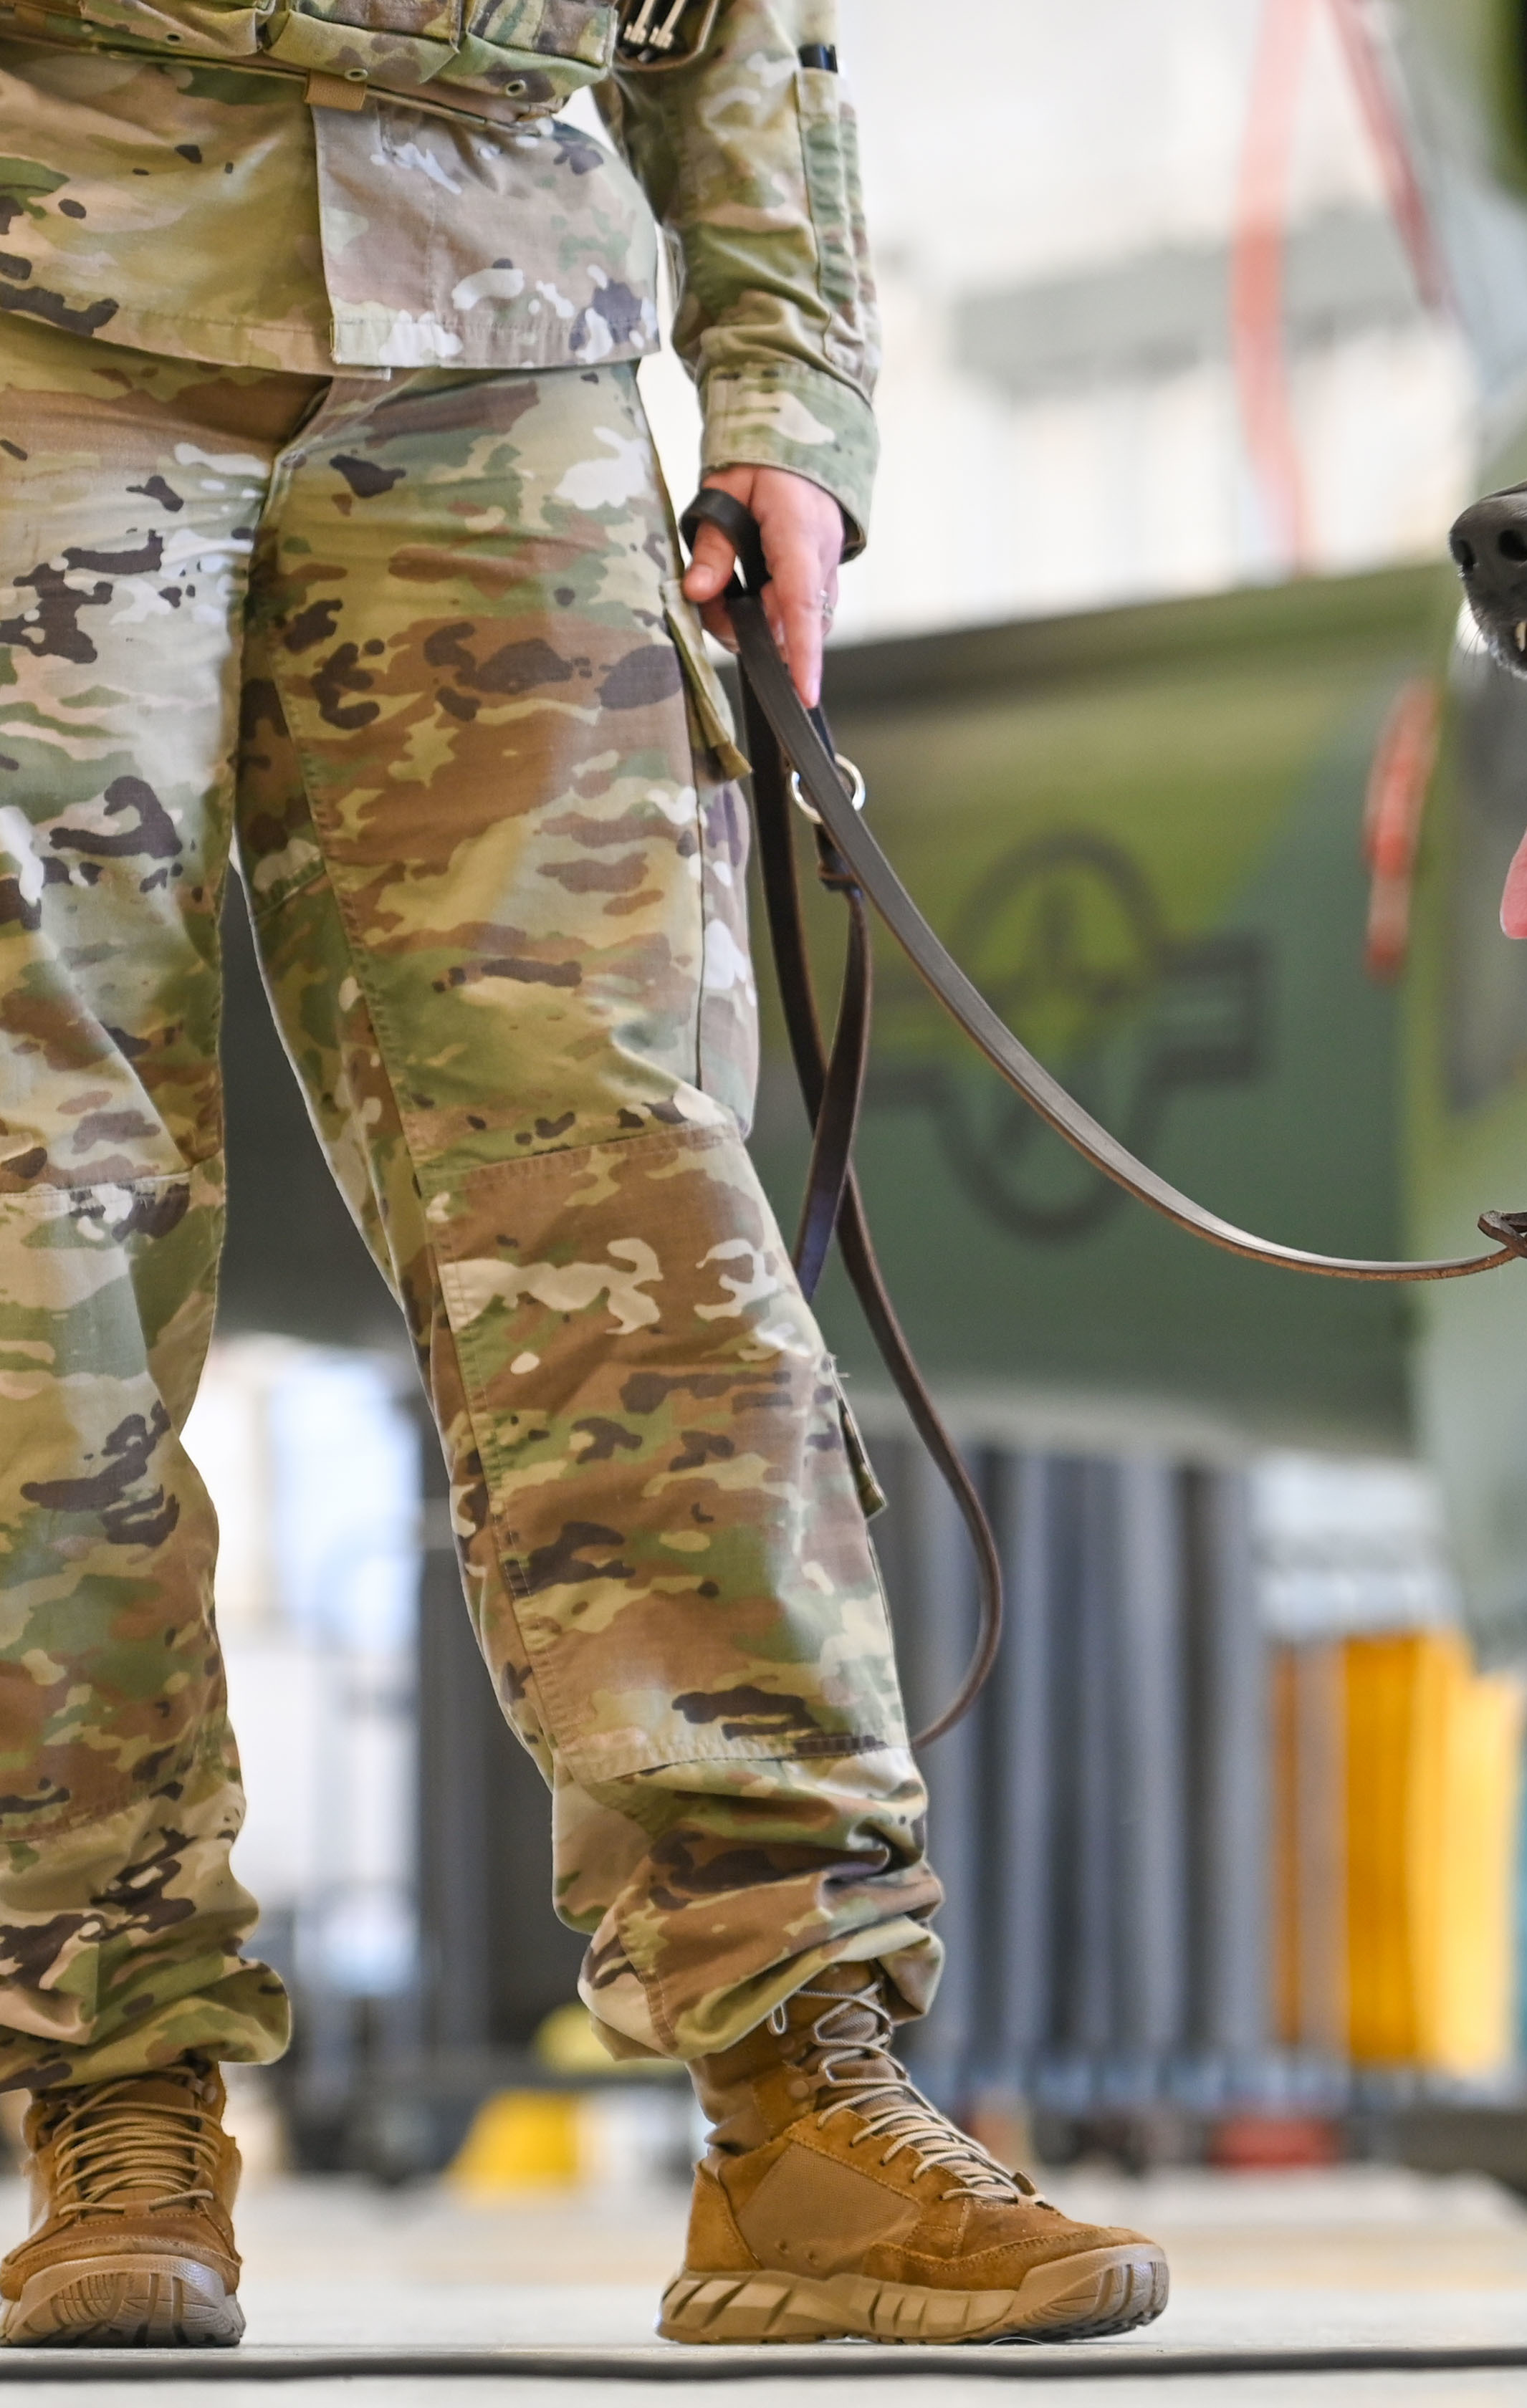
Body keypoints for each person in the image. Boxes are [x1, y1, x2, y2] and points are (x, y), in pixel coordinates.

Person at [0, 1, 1166, 2349]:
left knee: (631, 1213)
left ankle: (800, 2077)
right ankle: (106, 2084)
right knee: (36, 1223)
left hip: (508, 321)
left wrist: (787, 398)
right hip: (50, 289)